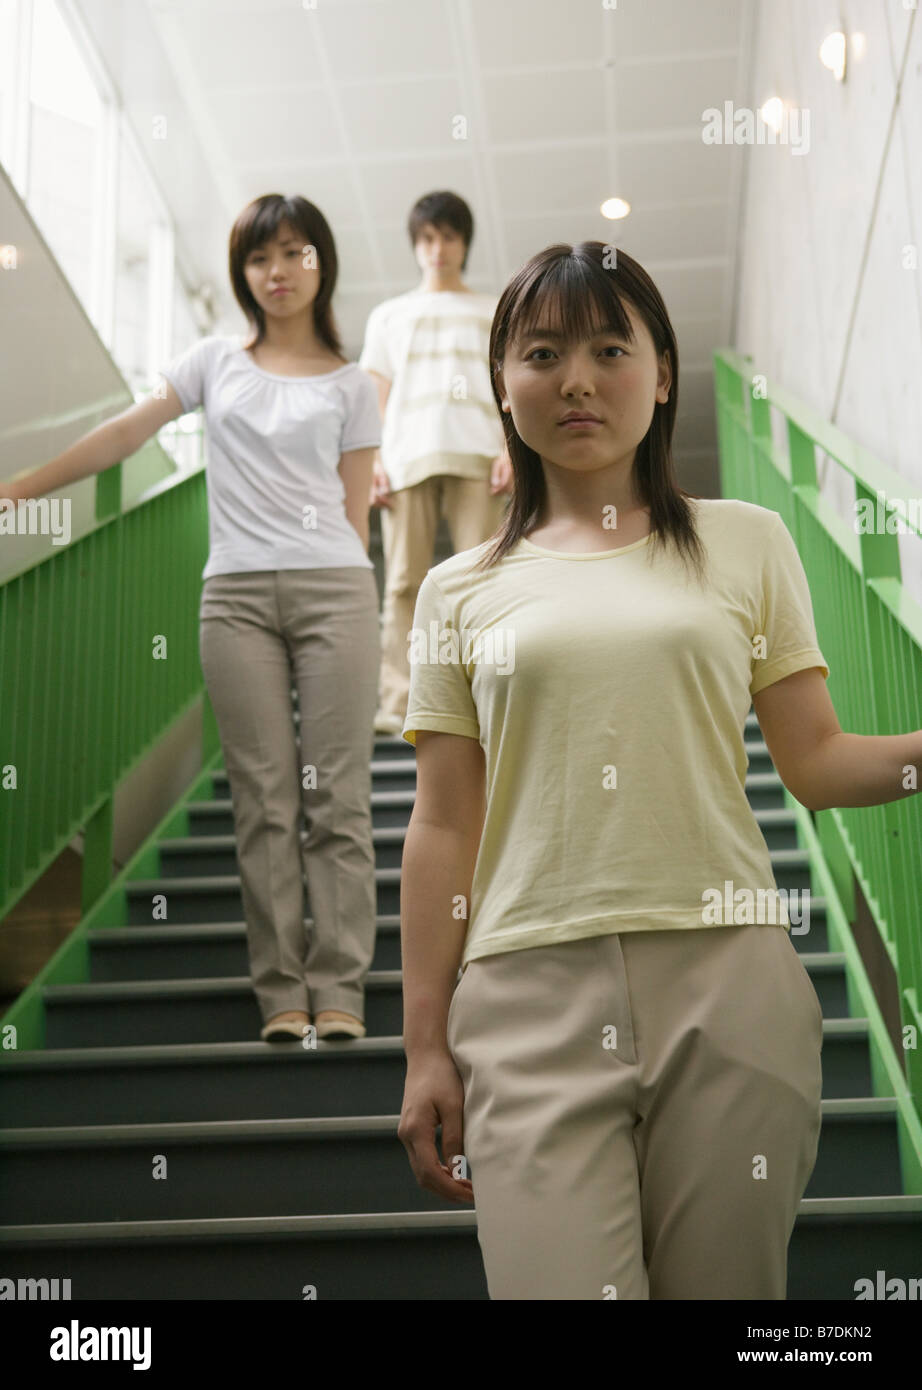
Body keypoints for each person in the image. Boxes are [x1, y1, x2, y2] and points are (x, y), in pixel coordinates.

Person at [396, 241, 920, 1299]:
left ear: (664, 371)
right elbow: (444, 825)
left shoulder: (747, 541)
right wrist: (423, 1045)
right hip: (523, 990)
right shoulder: (455, 591)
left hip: (726, 978)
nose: (576, 378)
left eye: (608, 347)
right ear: (503, 384)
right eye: (540, 352)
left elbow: (814, 763)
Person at [3, 193, 382, 1045]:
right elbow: (126, 433)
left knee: (339, 801)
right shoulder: (216, 361)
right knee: (265, 799)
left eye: (293, 253)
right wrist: (23, 487)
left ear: (321, 261)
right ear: (243, 274)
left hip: (335, 592)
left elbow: (355, 516)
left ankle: (342, 988)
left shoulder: (354, 386)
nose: (276, 272)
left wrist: (349, 586)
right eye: (258, 258)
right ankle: (283, 992)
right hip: (235, 599)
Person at [359, 190, 512, 736]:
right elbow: (374, 397)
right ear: (415, 245)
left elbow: (510, 387)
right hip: (405, 461)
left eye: (447, 236)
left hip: (478, 455)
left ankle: (486, 697)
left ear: (463, 242)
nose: (437, 248)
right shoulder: (389, 316)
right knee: (403, 583)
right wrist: (372, 461)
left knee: (481, 582)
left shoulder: (495, 309)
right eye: (427, 238)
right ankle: (398, 703)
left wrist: (510, 448)